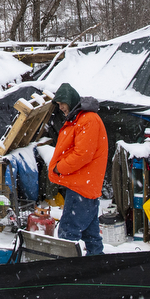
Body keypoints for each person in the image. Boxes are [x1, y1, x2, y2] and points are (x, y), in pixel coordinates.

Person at [48, 82, 108, 255]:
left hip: (81, 186)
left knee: (68, 233)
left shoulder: (87, 120)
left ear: (69, 100)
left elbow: (83, 154)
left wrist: (60, 168)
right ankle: (99, 268)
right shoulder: (82, 118)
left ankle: (68, 275)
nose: (60, 108)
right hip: (86, 185)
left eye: (62, 104)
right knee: (91, 236)